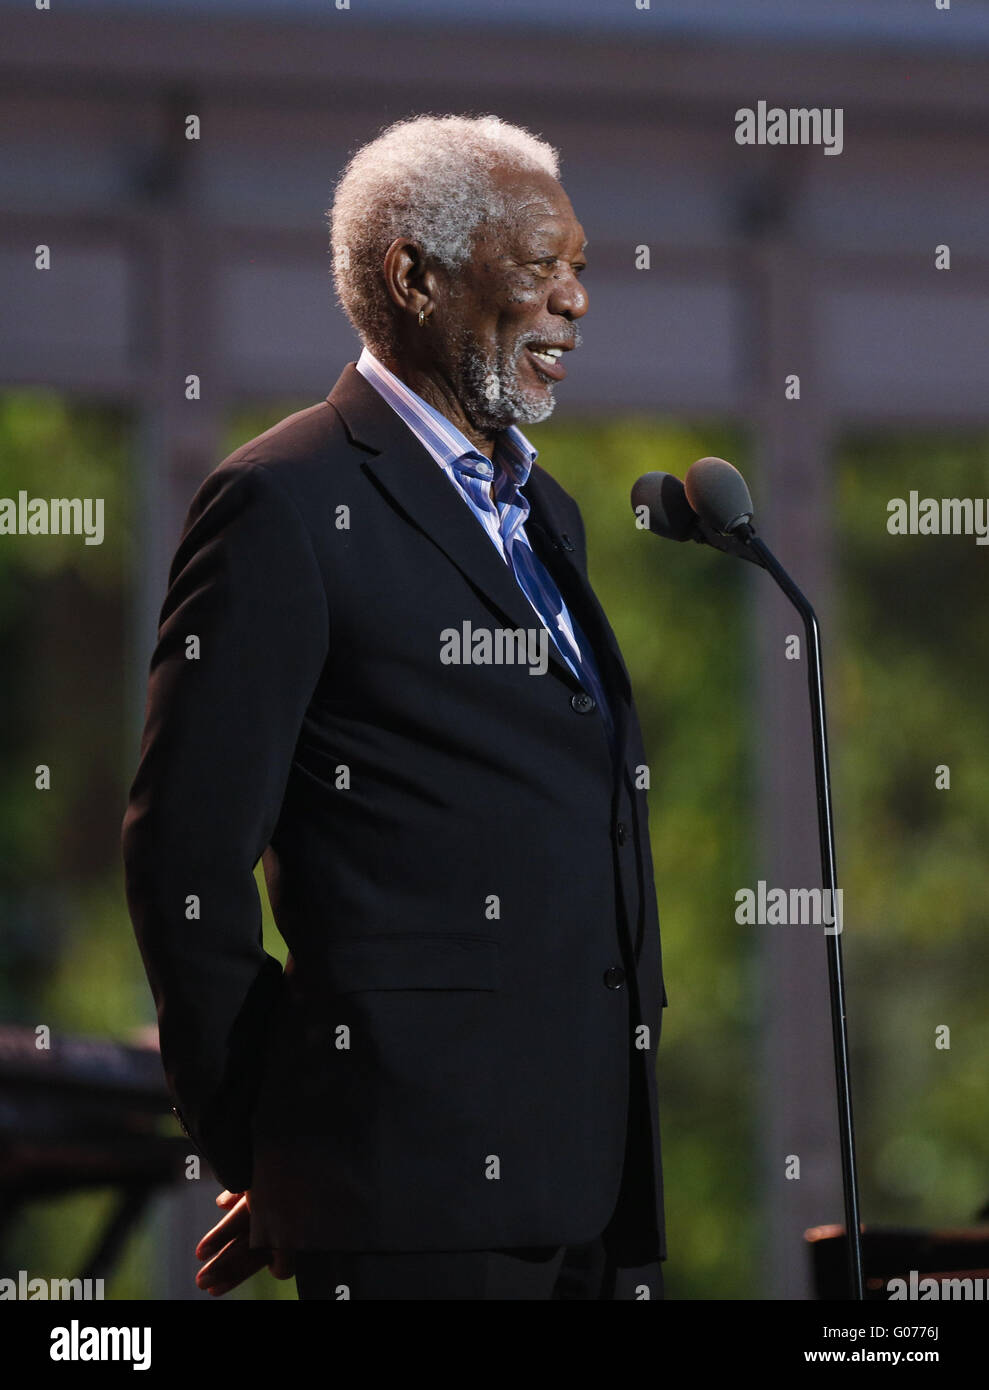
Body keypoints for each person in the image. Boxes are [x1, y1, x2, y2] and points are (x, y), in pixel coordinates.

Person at [122, 113, 668, 1301]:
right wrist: (277, 1143)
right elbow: (182, 855)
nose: (574, 300)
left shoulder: (546, 514)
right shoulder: (282, 501)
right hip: (411, 1197)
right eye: (540, 268)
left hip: (591, 1180)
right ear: (413, 274)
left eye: (579, 267)